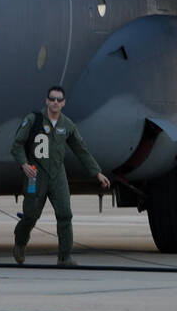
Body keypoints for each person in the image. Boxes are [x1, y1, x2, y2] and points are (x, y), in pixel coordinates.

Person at [11, 85, 110, 267]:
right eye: (52, 99)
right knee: (31, 215)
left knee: (65, 214)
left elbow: (81, 150)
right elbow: (17, 145)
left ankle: (65, 257)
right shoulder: (34, 120)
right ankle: (20, 243)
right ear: (47, 101)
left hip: (57, 174)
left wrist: (97, 173)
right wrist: (24, 165)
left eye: (59, 100)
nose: (55, 102)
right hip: (36, 173)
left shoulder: (67, 124)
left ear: (63, 103)